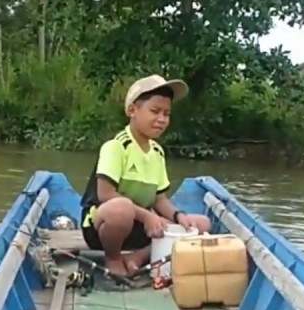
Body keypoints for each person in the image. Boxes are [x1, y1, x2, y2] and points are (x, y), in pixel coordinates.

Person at [79, 74, 212, 277]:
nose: (162, 119)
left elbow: (159, 199)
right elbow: (105, 195)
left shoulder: (157, 152)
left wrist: (179, 217)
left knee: (201, 224)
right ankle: (113, 257)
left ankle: (138, 257)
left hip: (141, 228)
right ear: (133, 110)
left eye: (166, 114)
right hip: (104, 228)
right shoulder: (116, 147)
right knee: (121, 208)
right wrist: (147, 215)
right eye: (155, 111)